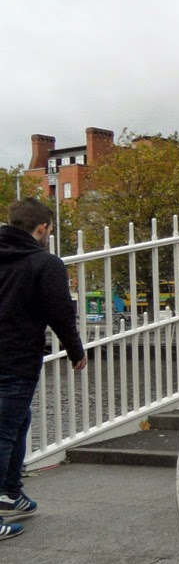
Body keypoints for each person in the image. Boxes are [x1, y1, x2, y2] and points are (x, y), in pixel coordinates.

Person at [0, 199, 88, 540]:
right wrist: (75, 349)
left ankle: (10, 491)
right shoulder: (43, 263)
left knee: (20, 422)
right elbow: (60, 312)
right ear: (41, 229)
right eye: (49, 229)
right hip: (16, 359)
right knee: (5, 433)